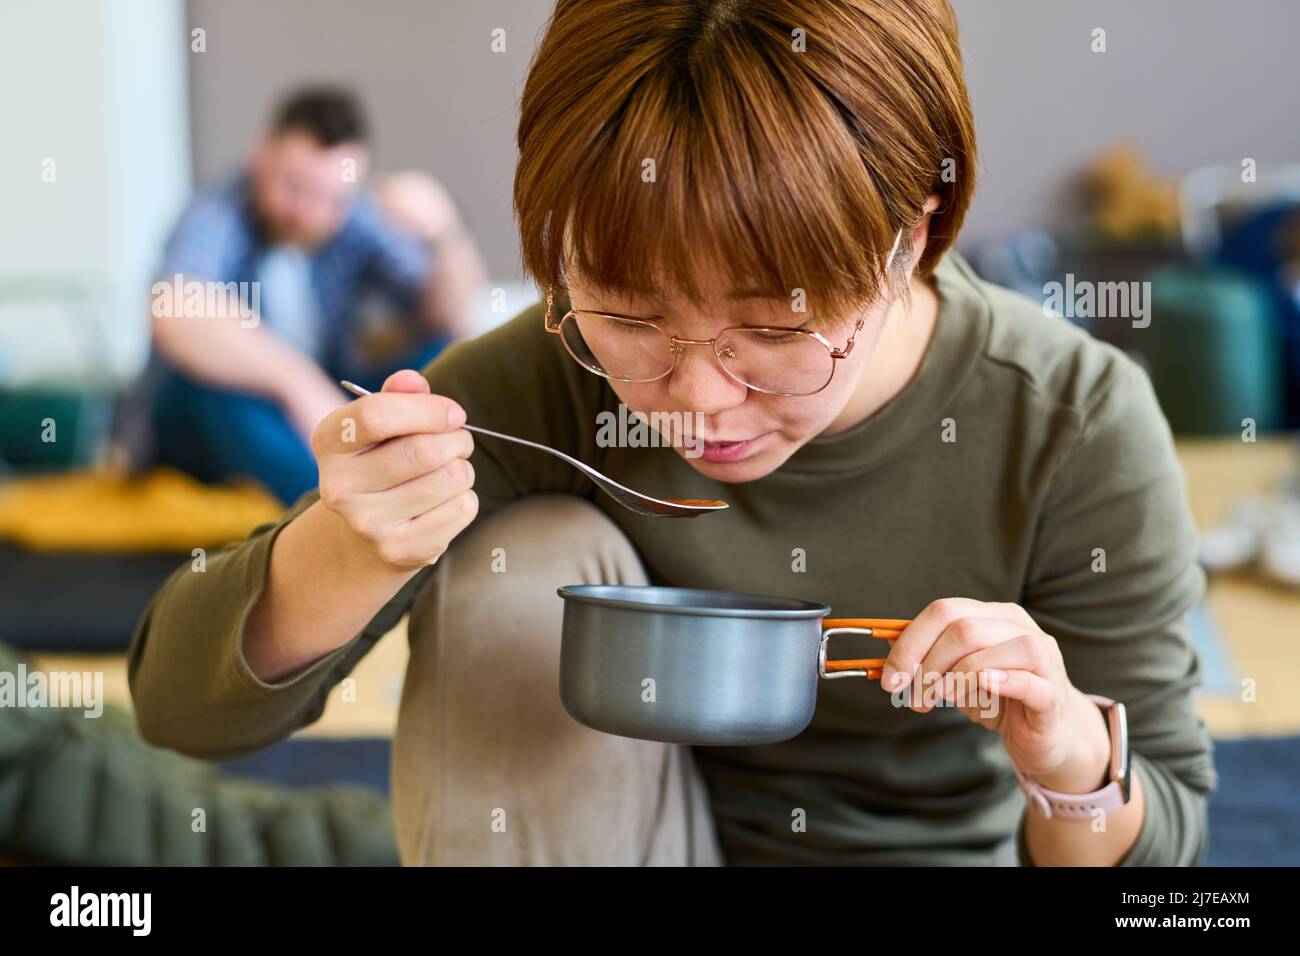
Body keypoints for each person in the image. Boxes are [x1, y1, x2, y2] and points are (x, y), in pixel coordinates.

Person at [129, 0, 1216, 866]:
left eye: (775, 329)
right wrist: (345, 545)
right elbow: (181, 712)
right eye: (633, 316)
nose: (696, 399)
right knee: (523, 561)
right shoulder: (542, 375)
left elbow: (1163, 867)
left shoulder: (1067, 421)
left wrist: (1070, 752)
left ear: (912, 234)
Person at [146, 86, 488, 503]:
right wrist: (299, 384)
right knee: (208, 389)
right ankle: (338, 503)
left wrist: (444, 233)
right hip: (207, 418)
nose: (311, 213)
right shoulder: (216, 211)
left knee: (444, 356)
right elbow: (174, 311)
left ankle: (443, 486)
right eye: (295, 188)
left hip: (319, 406)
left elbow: (446, 318)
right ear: (260, 157)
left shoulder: (352, 216)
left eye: (333, 199)